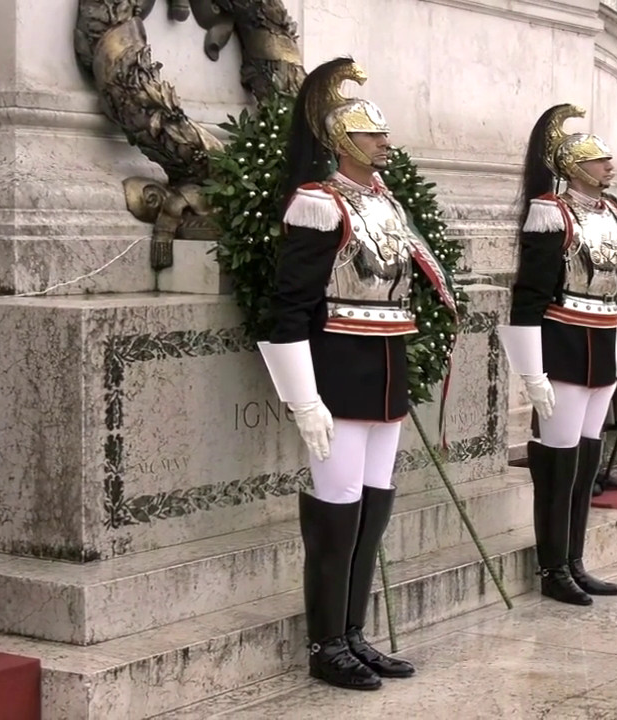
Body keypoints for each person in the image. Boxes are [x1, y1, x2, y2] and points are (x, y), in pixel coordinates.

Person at [260, 56, 461, 691]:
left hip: (385, 369)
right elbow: (287, 311)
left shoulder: (386, 204)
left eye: (384, 134)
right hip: (339, 372)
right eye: (375, 135)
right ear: (345, 141)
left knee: (373, 506)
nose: (386, 143)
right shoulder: (319, 205)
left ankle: (353, 632)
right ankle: (326, 643)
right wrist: (304, 401)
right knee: (336, 508)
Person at [499, 103, 617, 605]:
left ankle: (575, 559)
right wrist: (531, 369)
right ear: (574, 167)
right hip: (564, 340)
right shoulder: (551, 213)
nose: (610, 166)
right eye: (600, 160)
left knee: (588, 460)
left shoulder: (609, 211)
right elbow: (528, 296)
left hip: (602, 337)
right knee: (560, 461)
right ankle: (553, 566)